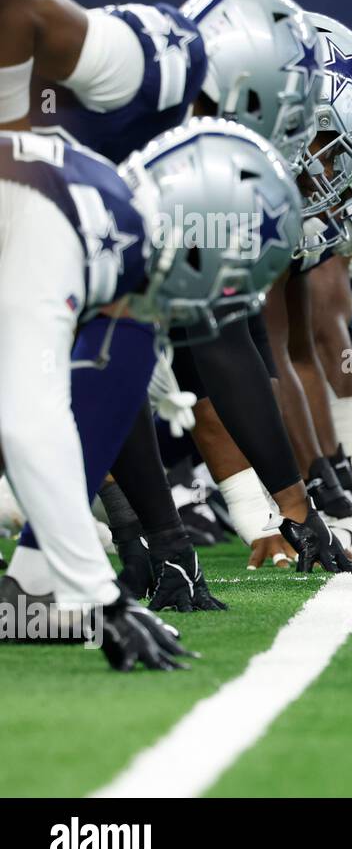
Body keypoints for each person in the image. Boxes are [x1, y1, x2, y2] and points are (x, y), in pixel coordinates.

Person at [0, 118, 297, 667]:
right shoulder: (65, 232)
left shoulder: (106, 210)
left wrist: (164, 537)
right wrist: (102, 598)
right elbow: (28, 425)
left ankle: (31, 581)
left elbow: (112, 394)